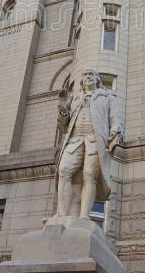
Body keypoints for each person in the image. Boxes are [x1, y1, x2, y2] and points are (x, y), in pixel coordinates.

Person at [55, 69, 123, 219]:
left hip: (95, 140)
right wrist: (63, 110)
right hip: (75, 140)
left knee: (89, 175)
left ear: (97, 79)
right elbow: (64, 126)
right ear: (82, 81)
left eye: (91, 74)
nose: (88, 77)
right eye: (85, 75)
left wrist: (115, 131)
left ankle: (84, 215)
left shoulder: (107, 97)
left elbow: (115, 117)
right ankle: (62, 214)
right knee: (64, 171)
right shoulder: (75, 99)